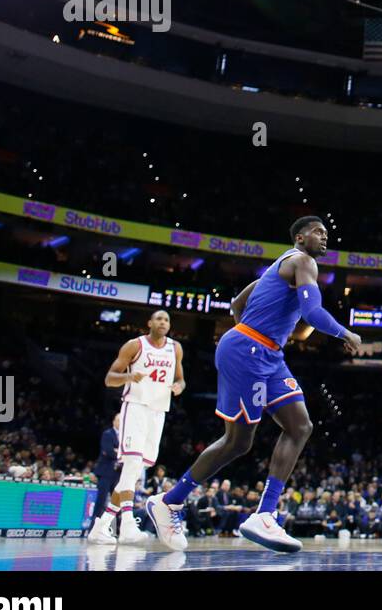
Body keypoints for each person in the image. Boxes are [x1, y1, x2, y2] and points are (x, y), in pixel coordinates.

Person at [145, 217, 362, 554]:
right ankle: (170, 502)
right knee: (238, 441)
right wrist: (345, 333)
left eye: (326, 232)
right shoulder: (303, 261)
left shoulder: (275, 270)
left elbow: (236, 304)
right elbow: (312, 311)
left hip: (266, 354)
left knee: (300, 425)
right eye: (318, 232)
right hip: (249, 352)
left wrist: (254, 332)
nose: (325, 236)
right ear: (300, 238)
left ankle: (264, 514)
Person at [88, 310, 185, 546]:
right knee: (131, 465)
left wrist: (178, 387)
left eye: (166, 320)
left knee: (135, 470)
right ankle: (128, 524)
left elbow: (181, 379)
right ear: (149, 323)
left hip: (158, 411)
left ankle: (102, 525)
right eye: (159, 319)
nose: (163, 322)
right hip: (136, 407)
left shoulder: (176, 348)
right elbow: (110, 378)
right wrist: (130, 377)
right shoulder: (135, 345)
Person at [91, 414, 121, 521]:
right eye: (118, 420)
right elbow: (107, 451)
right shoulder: (108, 434)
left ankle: (113, 527)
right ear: (113, 422)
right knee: (101, 500)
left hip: (117, 473)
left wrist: (117, 451)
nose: (120, 422)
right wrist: (119, 453)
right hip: (105, 472)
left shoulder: (124, 437)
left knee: (116, 501)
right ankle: (94, 525)